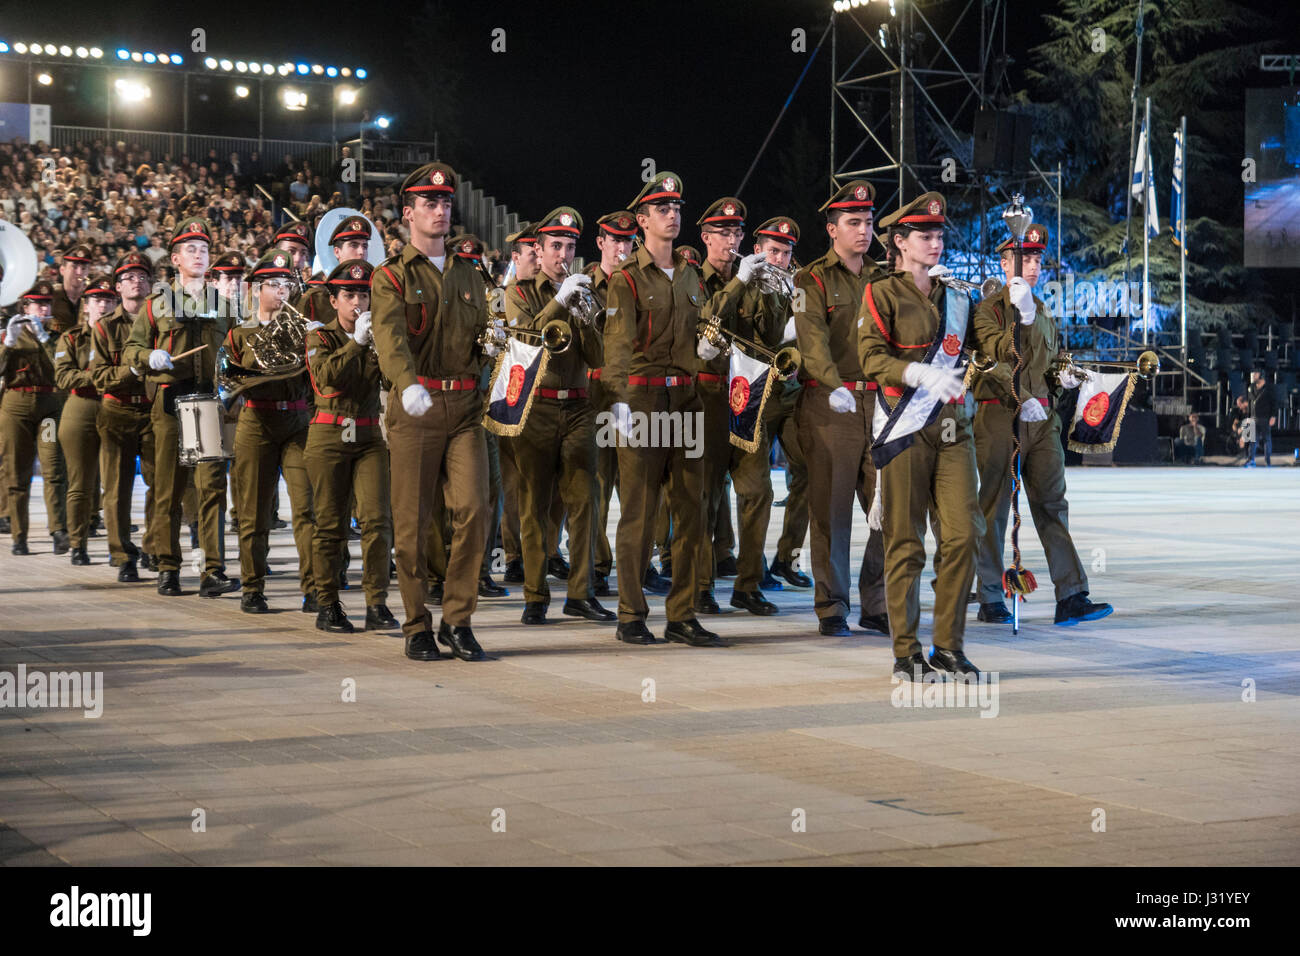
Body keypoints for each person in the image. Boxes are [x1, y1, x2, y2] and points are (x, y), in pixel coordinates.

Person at [369, 162, 493, 662]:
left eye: (445, 203)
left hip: (464, 406)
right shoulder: (390, 277)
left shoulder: (469, 274)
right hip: (416, 407)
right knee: (412, 524)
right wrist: (405, 383)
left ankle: (457, 619)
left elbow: (483, 338)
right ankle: (417, 623)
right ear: (408, 213)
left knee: (475, 510)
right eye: (429, 203)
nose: (441, 211)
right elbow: (390, 338)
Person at [859, 191, 982, 679]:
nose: (935, 243)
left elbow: (986, 348)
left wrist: (1015, 307)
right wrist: (915, 373)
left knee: (963, 535)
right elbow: (869, 358)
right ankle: (906, 652)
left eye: (939, 235)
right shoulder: (882, 292)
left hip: (955, 428)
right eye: (924, 236)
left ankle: (948, 645)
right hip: (906, 425)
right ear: (900, 243)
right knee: (904, 541)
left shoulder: (956, 295)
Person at [970, 223, 1114, 627]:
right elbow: (993, 362)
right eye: (1022, 259)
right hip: (1000, 415)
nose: (1031, 266)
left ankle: (1071, 595)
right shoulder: (989, 310)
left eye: (1036, 259)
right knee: (994, 507)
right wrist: (1022, 396)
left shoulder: (1044, 311)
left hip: (1042, 420)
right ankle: (990, 595)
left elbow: (1046, 367)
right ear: (1004, 263)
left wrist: (1061, 379)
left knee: (1053, 506)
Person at [603, 170, 719, 646]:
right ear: (643, 220)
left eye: (677, 209)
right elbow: (616, 347)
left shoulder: (692, 274)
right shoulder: (627, 279)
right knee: (640, 512)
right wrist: (621, 404)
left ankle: (683, 614)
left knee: (692, 512)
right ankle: (631, 613)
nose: (673, 216)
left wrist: (708, 352)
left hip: (687, 397)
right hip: (644, 400)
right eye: (663, 210)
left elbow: (702, 332)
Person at [503, 206, 615, 626]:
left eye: (570, 246)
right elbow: (525, 338)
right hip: (536, 406)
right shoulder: (519, 291)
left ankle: (580, 593)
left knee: (584, 501)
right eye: (556, 246)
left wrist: (586, 315)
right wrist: (558, 300)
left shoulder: (585, 292)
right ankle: (535, 595)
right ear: (539, 248)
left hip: (580, 405)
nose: (563, 254)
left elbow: (599, 356)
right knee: (534, 504)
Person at [793, 180, 889, 637]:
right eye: (853, 223)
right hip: (830, 404)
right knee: (832, 512)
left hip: (882, 403)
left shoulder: (887, 277)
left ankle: (878, 603)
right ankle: (832, 606)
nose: (864, 231)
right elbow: (811, 342)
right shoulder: (809, 279)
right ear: (832, 229)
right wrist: (833, 384)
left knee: (888, 507)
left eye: (869, 222)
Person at [123, 217, 238, 597]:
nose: (200, 255)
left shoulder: (223, 305)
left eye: (205, 249)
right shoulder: (156, 305)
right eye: (191, 249)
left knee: (210, 489)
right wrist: (149, 356)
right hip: (170, 402)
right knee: (168, 489)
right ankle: (168, 566)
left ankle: (211, 570)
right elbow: (131, 350)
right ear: (174, 259)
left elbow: (235, 351)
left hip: (207, 401)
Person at [304, 259, 396, 633]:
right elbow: (327, 381)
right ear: (333, 300)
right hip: (329, 434)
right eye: (349, 294)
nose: (358, 301)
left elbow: (392, 379)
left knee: (377, 520)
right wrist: (356, 343)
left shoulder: (377, 334)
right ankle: (327, 603)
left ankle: (377, 602)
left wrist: (384, 341)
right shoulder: (319, 337)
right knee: (330, 524)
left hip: (369, 434)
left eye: (363, 293)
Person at [224, 249, 318, 613]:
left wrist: (314, 342)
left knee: (306, 509)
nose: (281, 291)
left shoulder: (306, 331)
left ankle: (314, 589)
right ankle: (252, 586)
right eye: (273, 285)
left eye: (286, 284)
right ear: (257, 289)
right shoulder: (240, 333)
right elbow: (235, 375)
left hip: (297, 421)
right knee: (254, 510)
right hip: (256, 421)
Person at [722, 215, 806, 614]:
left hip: (789, 392)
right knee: (756, 491)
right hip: (752, 392)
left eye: (786, 253)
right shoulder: (742, 285)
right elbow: (716, 319)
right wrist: (741, 280)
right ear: (756, 250)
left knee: (810, 473)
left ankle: (786, 558)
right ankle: (747, 581)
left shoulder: (796, 285)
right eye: (773, 251)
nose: (780, 259)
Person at [88, 252, 157, 581]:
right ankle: (122, 555)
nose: (137, 282)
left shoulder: (161, 322)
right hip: (117, 410)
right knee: (116, 488)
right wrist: (131, 368)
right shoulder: (104, 327)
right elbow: (99, 378)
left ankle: (154, 546)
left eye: (143, 276)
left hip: (153, 408)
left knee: (160, 485)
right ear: (117, 287)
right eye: (129, 277)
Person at [584, 211, 637, 598]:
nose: (622, 248)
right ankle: (598, 567)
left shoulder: (637, 282)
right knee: (599, 488)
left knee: (638, 488)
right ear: (600, 242)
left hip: (636, 397)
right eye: (615, 241)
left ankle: (639, 564)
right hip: (599, 397)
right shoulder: (585, 286)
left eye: (628, 241)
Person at [0, 281, 70, 555]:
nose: (43, 309)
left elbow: (62, 367)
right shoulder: (11, 335)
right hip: (15, 407)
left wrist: (44, 339)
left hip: (49, 407)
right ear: (25, 307)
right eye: (38, 304)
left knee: (54, 469)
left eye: (47, 304)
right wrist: (7, 342)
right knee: (17, 473)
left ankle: (58, 531)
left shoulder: (55, 335)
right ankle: (19, 535)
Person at [53, 273, 116, 564]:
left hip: (114, 407)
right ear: (86, 305)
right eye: (97, 300)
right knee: (79, 483)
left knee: (116, 484)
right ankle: (78, 543)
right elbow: (63, 375)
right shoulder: (71, 337)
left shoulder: (123, 335)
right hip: (80, 407)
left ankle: (119, 547)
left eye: (108, 299)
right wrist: (100, 376)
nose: (102, 305)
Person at [1248, 371, 1276, 467]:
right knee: (1252, 440)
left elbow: (1274, 403)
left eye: (1255, 374)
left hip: (1265, 417)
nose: (1253, 376)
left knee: (1266, 439)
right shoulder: (1251, 387)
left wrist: (1273, 416)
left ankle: (1267, 461)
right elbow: (1250, 402)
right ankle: (1251, 460)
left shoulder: (1268, 388)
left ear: (1261, 376)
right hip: (1254, 417)